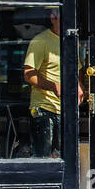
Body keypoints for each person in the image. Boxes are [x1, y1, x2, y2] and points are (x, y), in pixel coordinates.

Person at [23, 9, 65, 158]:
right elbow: (29, 75)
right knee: (43, 157)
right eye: (62, 16)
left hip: (65, 109)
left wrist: (80, 87)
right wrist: (53, 86)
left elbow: (76, 71)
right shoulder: (41, 41)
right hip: (44, 108)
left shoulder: (71, 42)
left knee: (62, 156)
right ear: (52, 18)